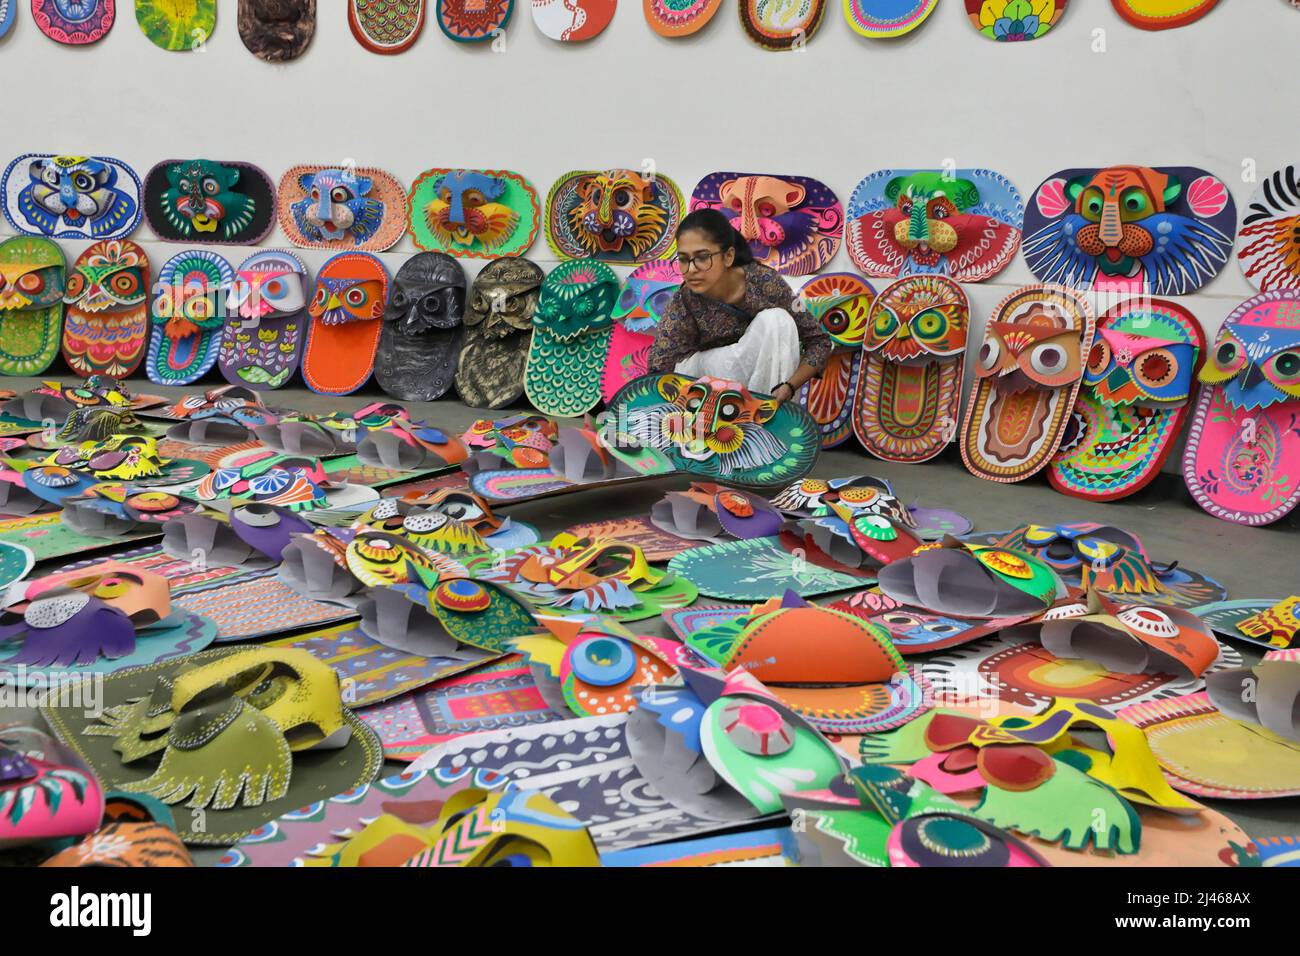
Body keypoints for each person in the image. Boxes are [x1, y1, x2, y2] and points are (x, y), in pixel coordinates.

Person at [645, 209, 831, 403]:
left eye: (702, 257)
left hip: (762, 386)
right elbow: (658, 368)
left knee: (777, 320)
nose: (691, 269)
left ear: (728, 256)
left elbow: (819, 342)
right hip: (701, 386)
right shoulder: (685, 300)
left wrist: (790, 386)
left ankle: (767, 416)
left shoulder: (766, 283)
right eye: (683, 259)